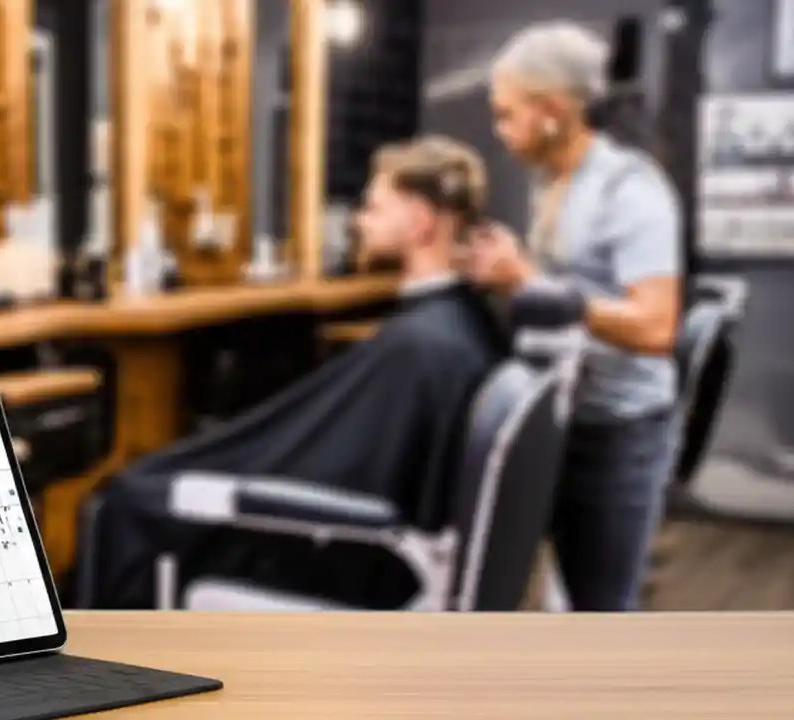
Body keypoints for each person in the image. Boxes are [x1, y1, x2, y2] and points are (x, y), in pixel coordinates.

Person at [76, 137, 509, 608]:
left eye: (375, 208)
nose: (361, 222)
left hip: (355, 548)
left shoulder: (424, 345)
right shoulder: (463, 324)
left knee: (130, 499)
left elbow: (342, 467)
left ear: (421, 222)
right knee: (155, 480)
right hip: (395, 544)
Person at [463, 22, 682, 611]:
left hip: (619, 430)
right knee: (561, 594)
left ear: (553, 110)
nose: (499, 129)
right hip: (566, 411)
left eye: (507, 114)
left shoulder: (628, 191)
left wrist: (526, 280)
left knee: (602, 608)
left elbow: (656, 328)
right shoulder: (554, 181)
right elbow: (574, 286)